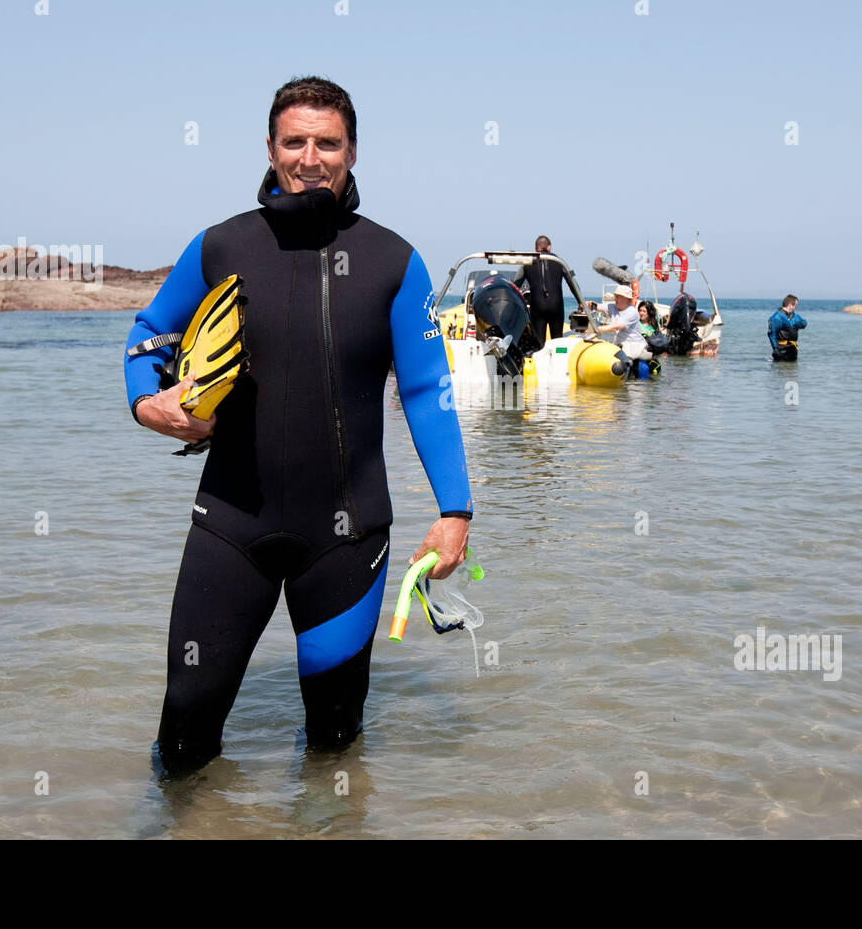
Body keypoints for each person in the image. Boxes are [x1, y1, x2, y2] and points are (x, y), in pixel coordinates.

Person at [123, 76, 473, 774]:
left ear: (351, 151)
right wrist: (147, 403)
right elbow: (148, 333)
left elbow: (429, 388)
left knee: (334, 752)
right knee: (183, 742)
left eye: (328, 143)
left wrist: (455, 510)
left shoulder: (393, 262)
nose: (310, 157)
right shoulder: (220, 246)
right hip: (230, 526)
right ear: (271, 147)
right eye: (295, 141)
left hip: (346, 540)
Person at [515, 235, 569, 345]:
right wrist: (580, 302)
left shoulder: (527, 262)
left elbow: (516, 285)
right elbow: (573, 284)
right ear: (549, 247)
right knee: (558, 342)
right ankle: (558, 359)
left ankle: (539, 358)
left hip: (537, 307)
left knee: (539, 342)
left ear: (536, 248)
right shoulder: (560, 261)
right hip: (556, 307)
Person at [587, 286, 650, 360]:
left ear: (627, 299)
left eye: (618, 297)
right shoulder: (613, 307)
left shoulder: (632, 312)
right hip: (621, 346)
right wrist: (587, 304)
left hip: (634, 347)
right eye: (615, 296)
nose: (615, 299)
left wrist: (595, 329)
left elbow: (616, 326)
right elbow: (597, 306)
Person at [767, 294, 807, 361]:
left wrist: (801, 324)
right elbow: (772, 334)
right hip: (782, 350)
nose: (795, 308)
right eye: (795, 306)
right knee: (782, 369)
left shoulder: (794, 316)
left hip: (793, 350)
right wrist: (775, 349)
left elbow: (804, 322)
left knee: (793, 370)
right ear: (791, 305)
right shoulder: (776, 317)